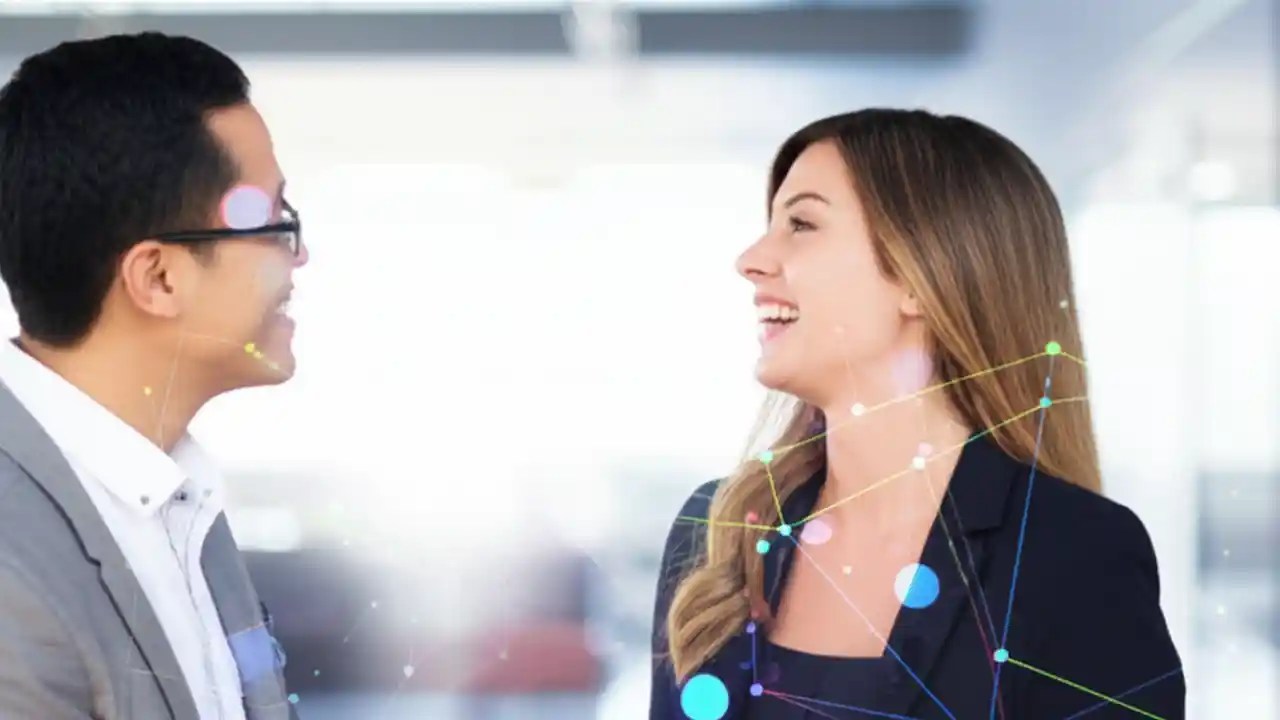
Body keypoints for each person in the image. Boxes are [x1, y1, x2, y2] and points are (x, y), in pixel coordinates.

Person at [649, 109, 1184, 720]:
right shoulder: (715, 534)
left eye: (802, 224)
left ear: (917, 275)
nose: (751, 259)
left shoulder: (1072, 553)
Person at [0, 33, 306, 719]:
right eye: (271, 222)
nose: (299, 255)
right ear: (159, 277)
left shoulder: (177, 498)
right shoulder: (11, 563)